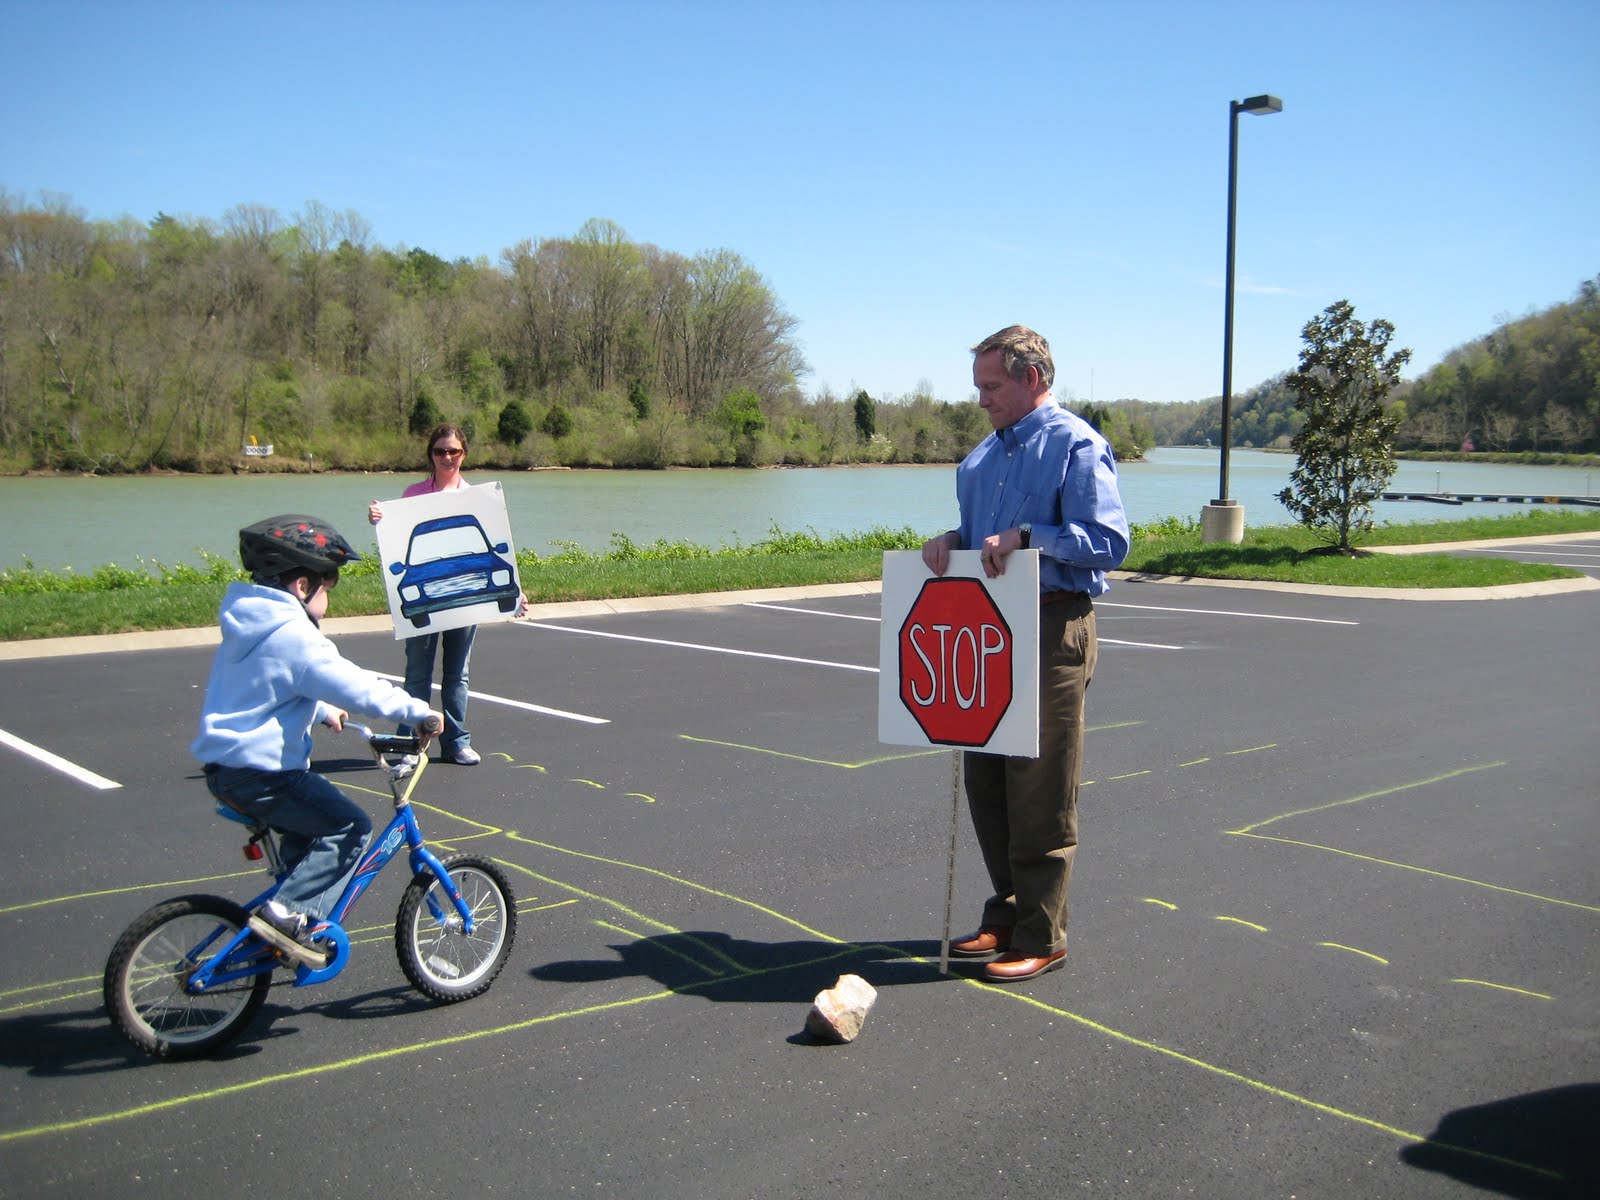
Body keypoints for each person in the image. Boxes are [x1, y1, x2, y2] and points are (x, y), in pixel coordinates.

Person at [921, 325, 1130, 984]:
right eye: (978, 386)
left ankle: (1044, 933)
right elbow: (978, 540)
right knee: (986, 779)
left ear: (1032, 377)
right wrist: (950, 540)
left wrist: (1029, 537)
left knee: (1039, 787)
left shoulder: (1077, 445)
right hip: (988, 637)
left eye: (992, 385)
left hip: (1050, 628)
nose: (981, 399)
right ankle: (1007, 912)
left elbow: (1108, 543)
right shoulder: (978, 460)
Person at [192, 514, 444, 966]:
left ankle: (284, 930)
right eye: (329, 588)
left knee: (309, 841)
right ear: (303, 586)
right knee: (350, 827)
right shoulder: (294, 636)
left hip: (229, 770)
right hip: (265, 774)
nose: (330, 598)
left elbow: (268, 683)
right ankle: (287, 917)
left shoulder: (253, 625)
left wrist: (321, 709)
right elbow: (354, 684)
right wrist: (417, 712)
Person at [367, 423, 498, 774]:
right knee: (417, 675)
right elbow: (396, 536)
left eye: (453, 451)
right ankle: (412, 744)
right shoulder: (413, 495)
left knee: (458, 674)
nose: (447, 457)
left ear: (464, 454)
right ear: (431, 455)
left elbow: (500, 549)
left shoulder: (480, 499)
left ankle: (456, 743)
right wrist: (379, 518)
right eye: (440, 451)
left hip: (466, 598)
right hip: (425, 598)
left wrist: (515, 592)